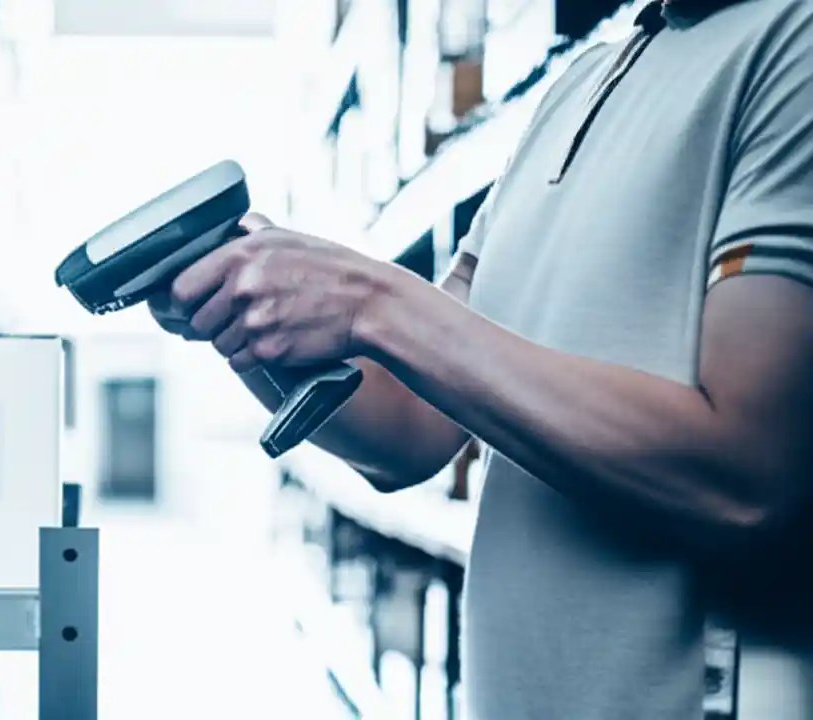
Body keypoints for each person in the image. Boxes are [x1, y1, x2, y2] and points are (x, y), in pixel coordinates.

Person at [149, 0, 813, 717]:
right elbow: (412, 431)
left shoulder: (791, 42)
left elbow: (743, 476)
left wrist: (372, 302)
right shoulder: (580, 83)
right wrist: (246, 309)